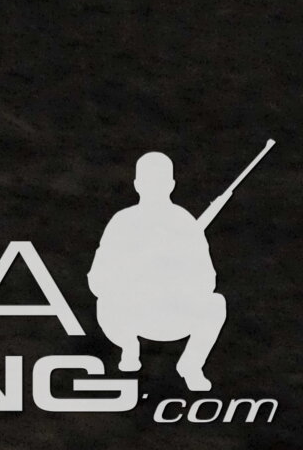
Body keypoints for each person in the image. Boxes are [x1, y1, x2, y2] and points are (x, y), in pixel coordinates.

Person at [95, 151, 232, 392]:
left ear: (171, 185)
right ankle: (129, 347)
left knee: (216, 304)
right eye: (148, 182)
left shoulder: (185, 222)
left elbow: (208, 280)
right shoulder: (122, 222)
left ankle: (191, 365)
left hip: (173, 312)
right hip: (130, 314)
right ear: (137, 185)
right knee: (105, 302)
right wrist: (132, 276)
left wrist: (176, 273)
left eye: (159, 182)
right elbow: (97, 279)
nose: (153, 188)